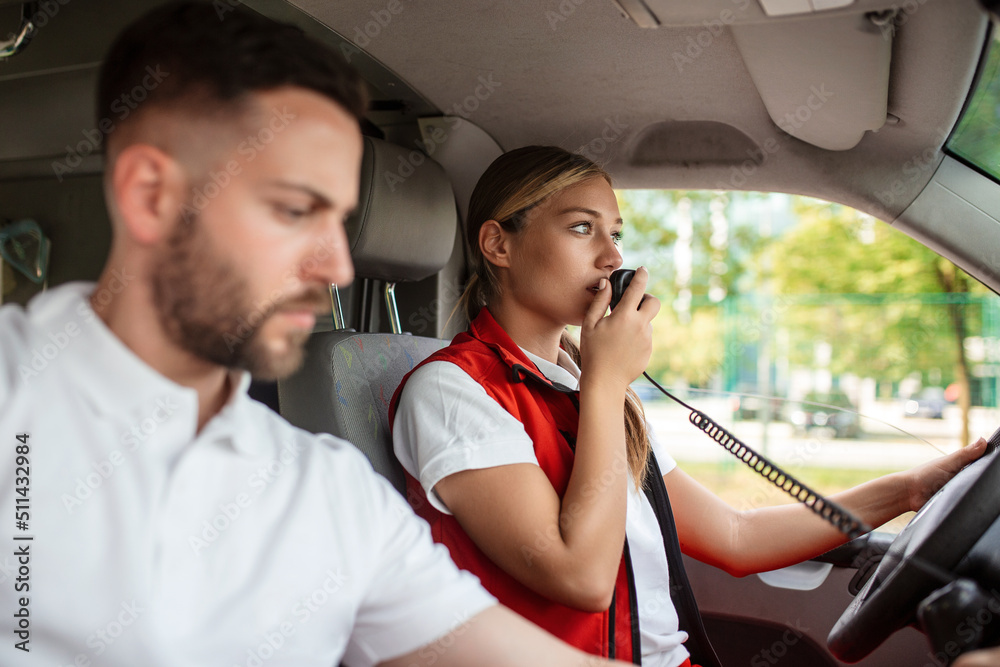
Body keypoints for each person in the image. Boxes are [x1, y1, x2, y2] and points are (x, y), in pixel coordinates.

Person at [0, 5, 633, 666]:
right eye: (296, 209)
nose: (334, 266)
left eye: (340, 220)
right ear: (150, 194)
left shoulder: (326, 489)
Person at [390, 145, 989, 667]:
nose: (612, 258)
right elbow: (580, 578)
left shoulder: (578, 385)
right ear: (498, 244)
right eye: (581, 229)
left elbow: (735, 535)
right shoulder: (452, 392)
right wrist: (606, 384)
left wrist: (908, 491)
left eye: (615, 233)